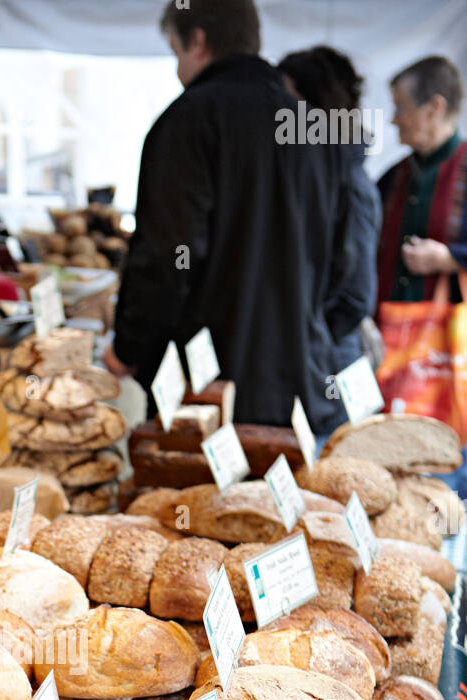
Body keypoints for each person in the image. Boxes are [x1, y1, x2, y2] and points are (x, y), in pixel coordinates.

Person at [105, 0, 353, 436]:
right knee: (282, 503)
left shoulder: (189, 119)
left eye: (176, 53)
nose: (178, 71)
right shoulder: (317, 128)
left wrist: (130, 345)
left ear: (197, 41)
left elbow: (172, 255)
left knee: (193, 504)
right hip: (300, 388)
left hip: (210, 392)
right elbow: (341, 267)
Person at [278, 46, 382, 375]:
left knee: (331, 431)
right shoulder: (325, 176)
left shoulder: (349, 183)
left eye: (288, 102)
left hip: (330, 363)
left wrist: (309, 337)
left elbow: (356, 297)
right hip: (319, 353)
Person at [377, 56, 467, 307]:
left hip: (451, 338)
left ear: (434, 108)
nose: (394, 120)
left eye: (401, 108)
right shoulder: (393, 177)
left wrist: (450, 258)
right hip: (386, 332)